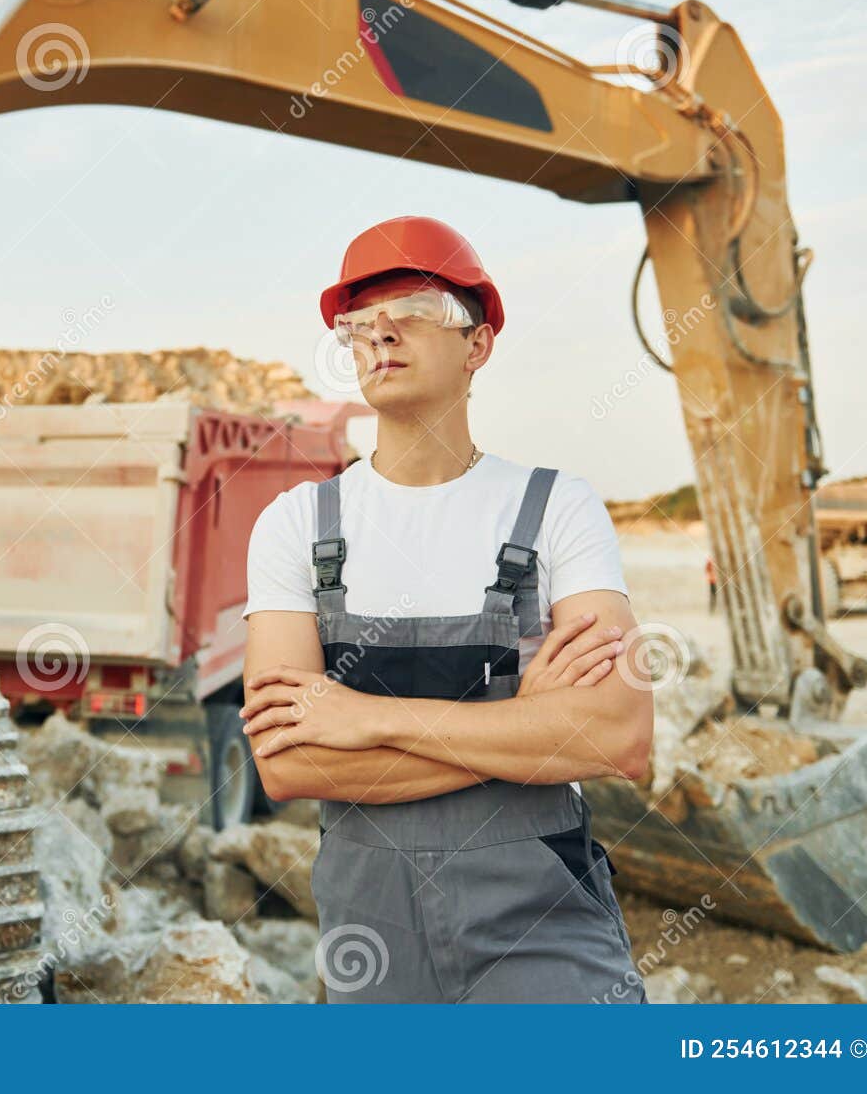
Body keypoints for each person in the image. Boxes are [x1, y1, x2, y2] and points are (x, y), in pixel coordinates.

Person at [240, 216, 652, 1003]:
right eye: (359, 323)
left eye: (414, 308)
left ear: (479, 343)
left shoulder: (558, 508)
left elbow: (619, 734)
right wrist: (524, 723)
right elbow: (289, 762)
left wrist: (370, 718)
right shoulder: (297, 524)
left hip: (543, 925)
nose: (379, 334)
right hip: (371, 938)